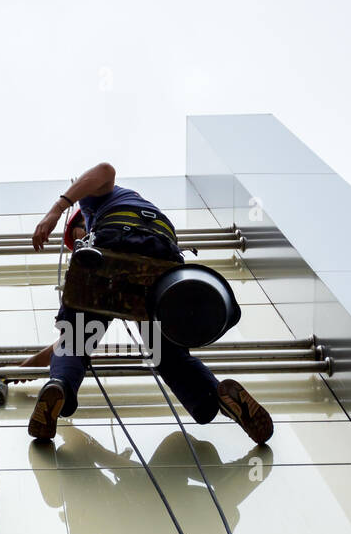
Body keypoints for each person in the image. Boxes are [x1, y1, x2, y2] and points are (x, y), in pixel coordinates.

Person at [25, 162, 273, 444]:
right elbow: (65, 346)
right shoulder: (132, 207)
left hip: (118, 243)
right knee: (169, 356)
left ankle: (61, 386)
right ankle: (219, 395)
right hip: (162, 269)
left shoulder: (93, 199)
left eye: (76, 235)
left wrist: (57, 209)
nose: (76, 241)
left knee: (74, 342)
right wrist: (26, 367)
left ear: (82, 219)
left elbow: (106, 169)